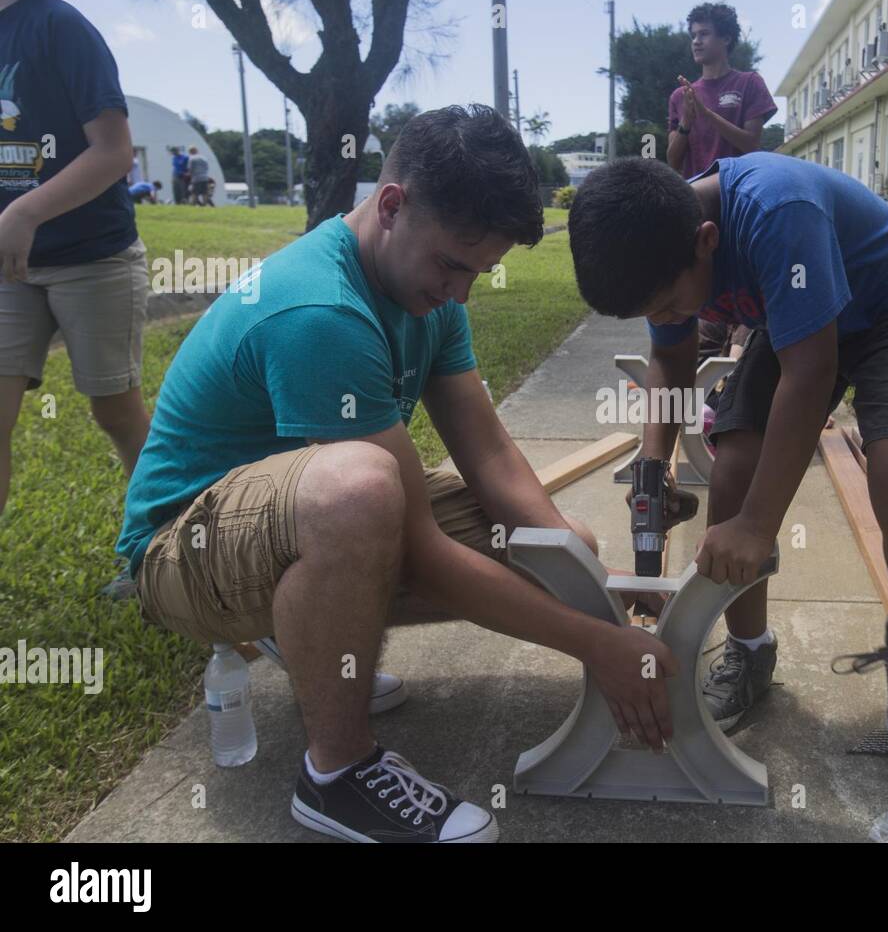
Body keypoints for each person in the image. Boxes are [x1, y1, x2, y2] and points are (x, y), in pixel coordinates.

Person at [116, 106, 676, 844]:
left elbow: (494, 458)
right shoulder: (321, 310)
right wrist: (595, 645)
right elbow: (417, 549)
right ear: (390, 205)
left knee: (555, 541)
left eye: (478, 272)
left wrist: (589, 586)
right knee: (364, 489)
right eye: (453, 265)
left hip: (276, 521)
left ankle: (311, 631)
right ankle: (337, 775)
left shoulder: (427, 288)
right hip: (179, 556)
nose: (462, 293)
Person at [568, 152, 888, 749]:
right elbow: (672, 360)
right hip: (802, 322)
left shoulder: (777, 209)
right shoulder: (659, 231)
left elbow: (810, 374)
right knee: (733, 473)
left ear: (707, 240)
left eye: (672, 306)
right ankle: (749, 652)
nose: (670, 319)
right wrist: (654, 463)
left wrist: (760, 525)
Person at [0, 0, 152, 519]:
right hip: (9, 263)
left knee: (115, 411)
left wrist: (24, 211)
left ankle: (158, 547)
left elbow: (114, 152)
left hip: (94, 255)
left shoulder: (58, 26)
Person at [667, 1, 777, 180]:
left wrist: (706, 114)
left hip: (739, 196)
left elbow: (751, 145)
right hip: (696, 199)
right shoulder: (680, 96)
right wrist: (687, 120)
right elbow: (673, 162)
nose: (696, 41)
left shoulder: (750, 83)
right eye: (693, 35)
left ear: (726, 38)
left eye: (704, 34)